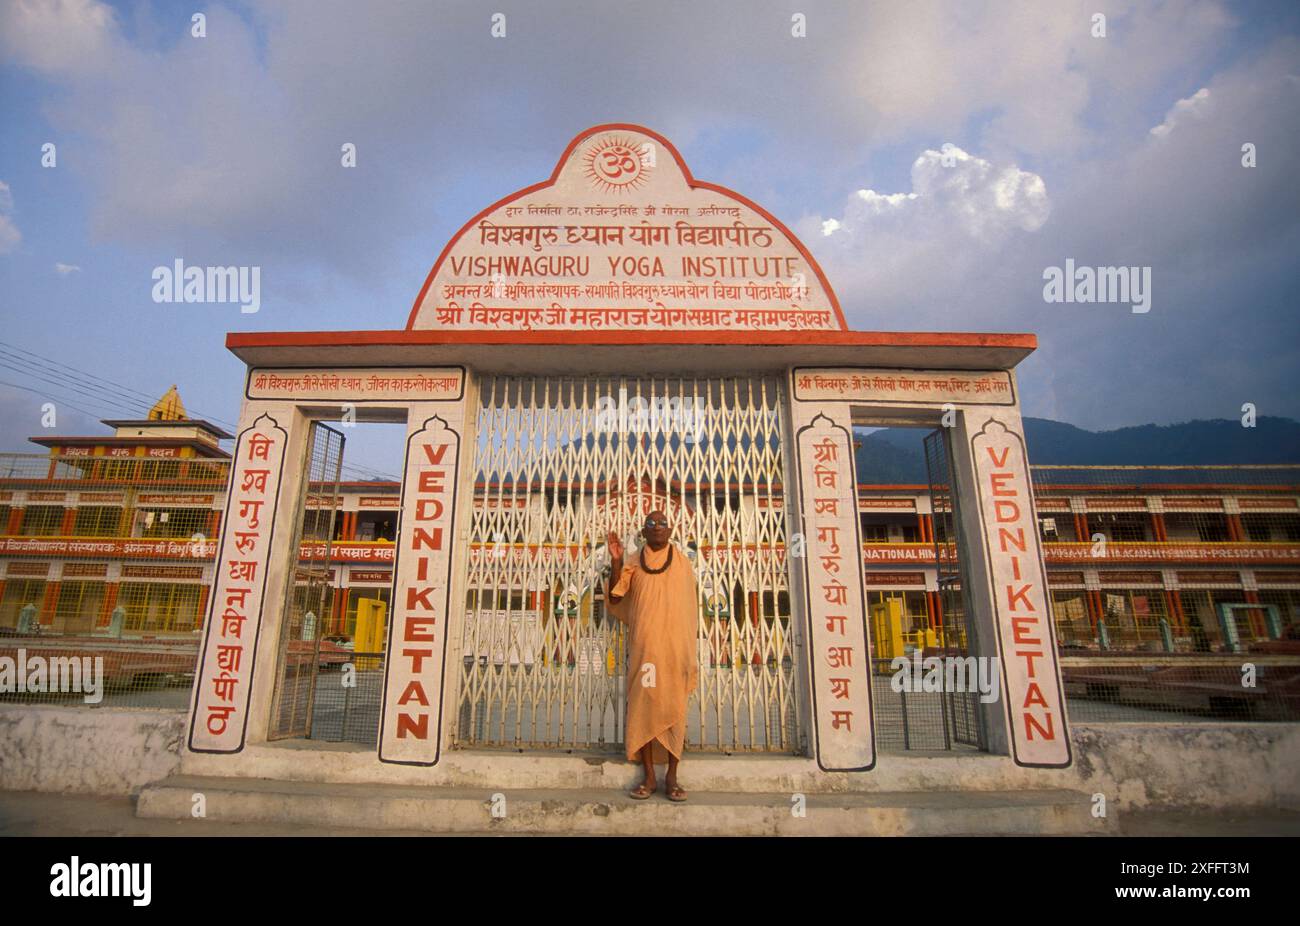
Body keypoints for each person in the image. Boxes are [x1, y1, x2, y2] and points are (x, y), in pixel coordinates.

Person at [605, 510, 699, 802]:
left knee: (675, 708)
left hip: (675, 649)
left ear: (670, 530)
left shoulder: (683, 564)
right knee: (644, 705)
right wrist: (617, 560)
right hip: (646, 648)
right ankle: (648, 775)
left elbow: (689, 609)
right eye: (651, 524)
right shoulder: (634, 562)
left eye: (662, 523)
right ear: (643, 532)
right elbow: (616, 597)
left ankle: (671, 776)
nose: (657, 527)